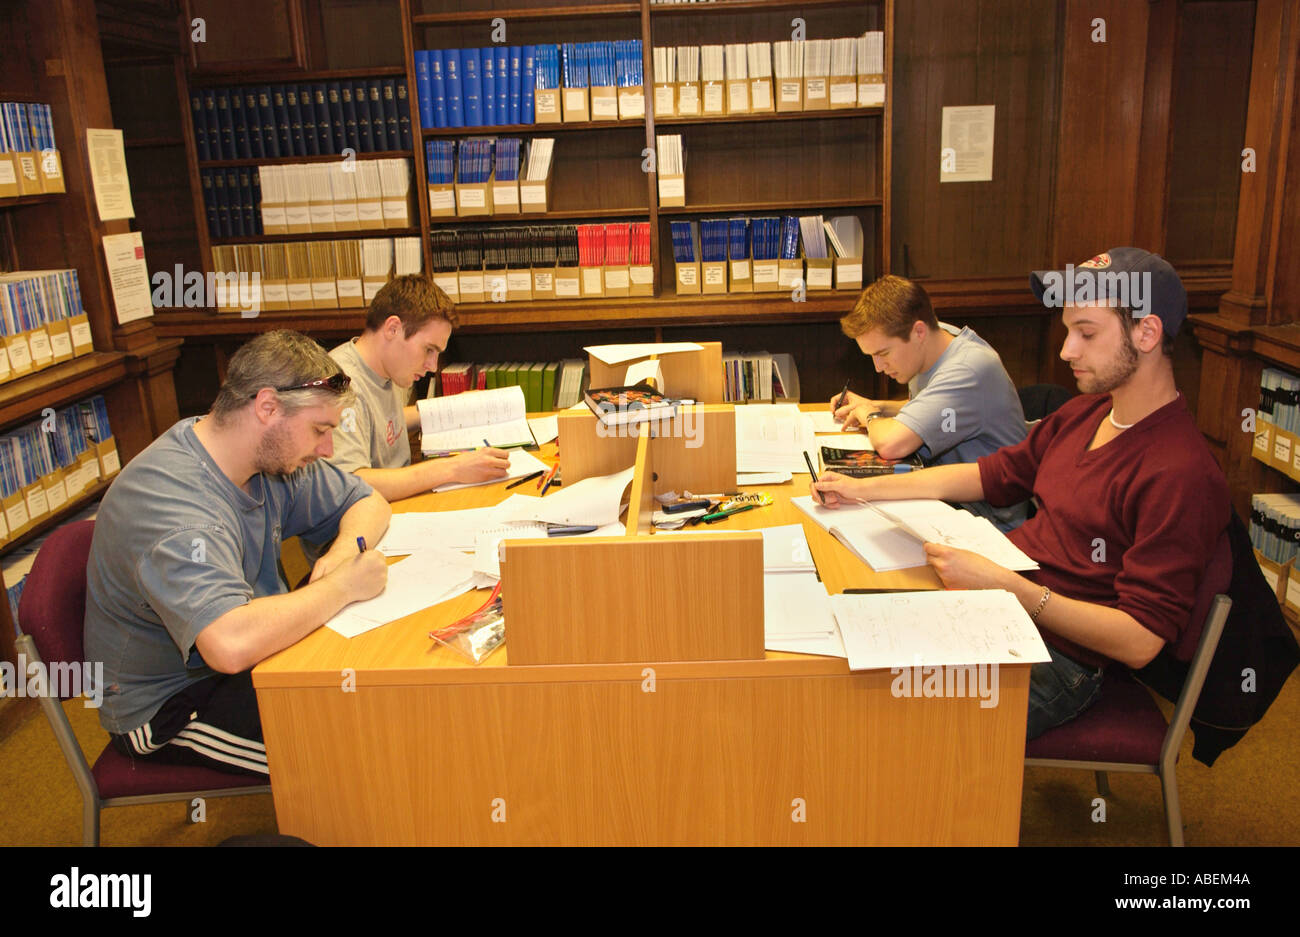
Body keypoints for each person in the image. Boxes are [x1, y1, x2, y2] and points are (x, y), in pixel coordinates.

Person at [813, 249, 1232, 738]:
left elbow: (1139, 640)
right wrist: (869, 489)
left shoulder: (1180, 471)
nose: (1066, 351)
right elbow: (987, 476)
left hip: (1061, 657)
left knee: (881, 724)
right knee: (845, 650)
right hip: (1004, 603)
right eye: (1068, 330)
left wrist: (1011, 587)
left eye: (1087, 333)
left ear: (1147, 333)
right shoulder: (1085, 415)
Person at [85, 330, 392, 776]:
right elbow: (227, 645)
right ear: (267, 407)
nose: (327, 449)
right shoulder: (173, 504)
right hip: (172, 706)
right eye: (319, 430)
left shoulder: (264, 458)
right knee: (355, 753)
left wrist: (345, 552)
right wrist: (343, 586)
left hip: (248, 654)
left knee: (383, 696)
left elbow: (368, 501)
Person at [829, 275, 1029, 530]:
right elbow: (930, 406)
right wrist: (876, 404)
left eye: (883, 353)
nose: (878, 368)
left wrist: (870, 415)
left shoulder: (968, 369)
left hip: (988, 521)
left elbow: (891, 445)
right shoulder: (938, 340)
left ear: (918, 332)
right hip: (947, 497)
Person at [326, 275, 509, 501]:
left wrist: (453, 406)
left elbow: (380, 422)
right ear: (393, 328)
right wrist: (452, 468)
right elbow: (351, 483)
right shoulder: (340, 386)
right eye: (428, 350)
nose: (432, 366)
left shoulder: (386, 368)